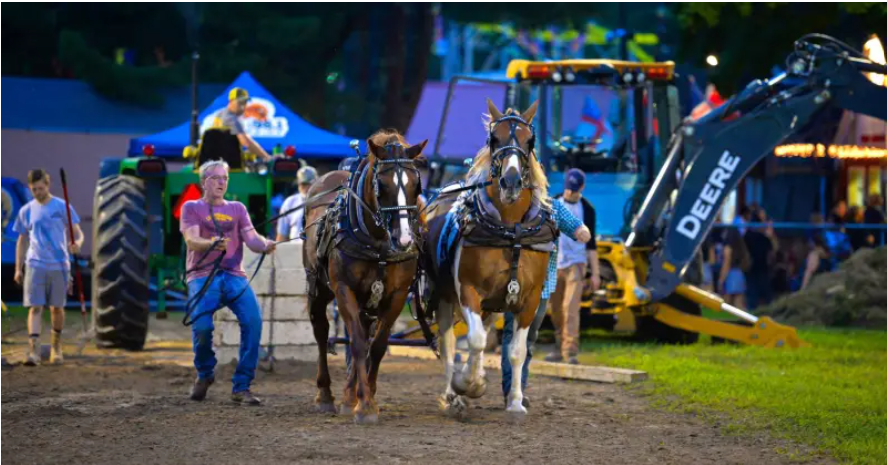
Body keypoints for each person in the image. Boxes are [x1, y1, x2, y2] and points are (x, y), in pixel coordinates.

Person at [181, 160, 276, 405]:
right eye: (216, 178)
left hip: (234, 275)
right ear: (204, 182)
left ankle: (242, 387)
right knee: (202, 329)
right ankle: (205, 373)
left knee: (253, 322)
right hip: (202, 275)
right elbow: (192, 241)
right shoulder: (191, 207)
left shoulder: (238, 209)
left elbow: (252, 239)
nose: (222, 182)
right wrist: (211, 243)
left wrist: (266, 245)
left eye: (225, 178)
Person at [500, 192, 591, 406]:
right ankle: (511, 391)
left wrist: (582, 231)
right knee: (511, 335)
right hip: (513, 286)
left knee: (529, 340)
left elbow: (576, 226)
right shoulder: (510, 204)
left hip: (541, 289)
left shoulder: (552, 207)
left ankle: (518, 387)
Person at [13, 169, 84, 366]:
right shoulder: (26, 210)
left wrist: (77, 244)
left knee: (57, 308)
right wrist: (18, 268)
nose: (38, 192)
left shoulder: (62, 207)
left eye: (41, 188)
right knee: (35, 307)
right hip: (35, 263)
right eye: (34, 189)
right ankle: (34, 351)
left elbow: (78, 233)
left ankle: (56, 347)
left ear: (48, 185)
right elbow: (21, 240)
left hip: (59, 264)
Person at [545, 169, 600, 365]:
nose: (570, 193)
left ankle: (570, 351)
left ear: (582, 188)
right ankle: (559, 344)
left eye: (574, 190)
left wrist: (595, 273)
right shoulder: (553, 204)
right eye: (568, 189)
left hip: (577, 264)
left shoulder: (588, 209)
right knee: (556, 308)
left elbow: (591, 245)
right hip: (554, 263)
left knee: (570, 307)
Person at [211, 87, 272, 162]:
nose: (243, 106)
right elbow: (246, 142)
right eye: (240, 102)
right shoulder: (231, 119)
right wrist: (267, 157)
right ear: (231, 101)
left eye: (245, 102)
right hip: (224, 162)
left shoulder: (221, 113)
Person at [743, 209, 778, 310]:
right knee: (758, 293)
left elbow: (773, 250)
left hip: (759, 268)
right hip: (755, 268)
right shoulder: (755, 236)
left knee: (758, 293)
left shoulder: (751, 235)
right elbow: (774, 249)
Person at [276, 162, 319, 242]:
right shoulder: (290, 202)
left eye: (310, 184)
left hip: (316, 251)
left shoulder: (323, 203)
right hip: (295, 250)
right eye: (303, 184)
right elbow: (282, 234)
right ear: (299, 184)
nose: (306, 188)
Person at [717, 227, 749, 309]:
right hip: (739, 274)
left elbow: (726, 262)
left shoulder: (728, 247)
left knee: (726, 304)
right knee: (739, 303)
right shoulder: (741, 246)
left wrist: (721, 279)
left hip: (731, 275)